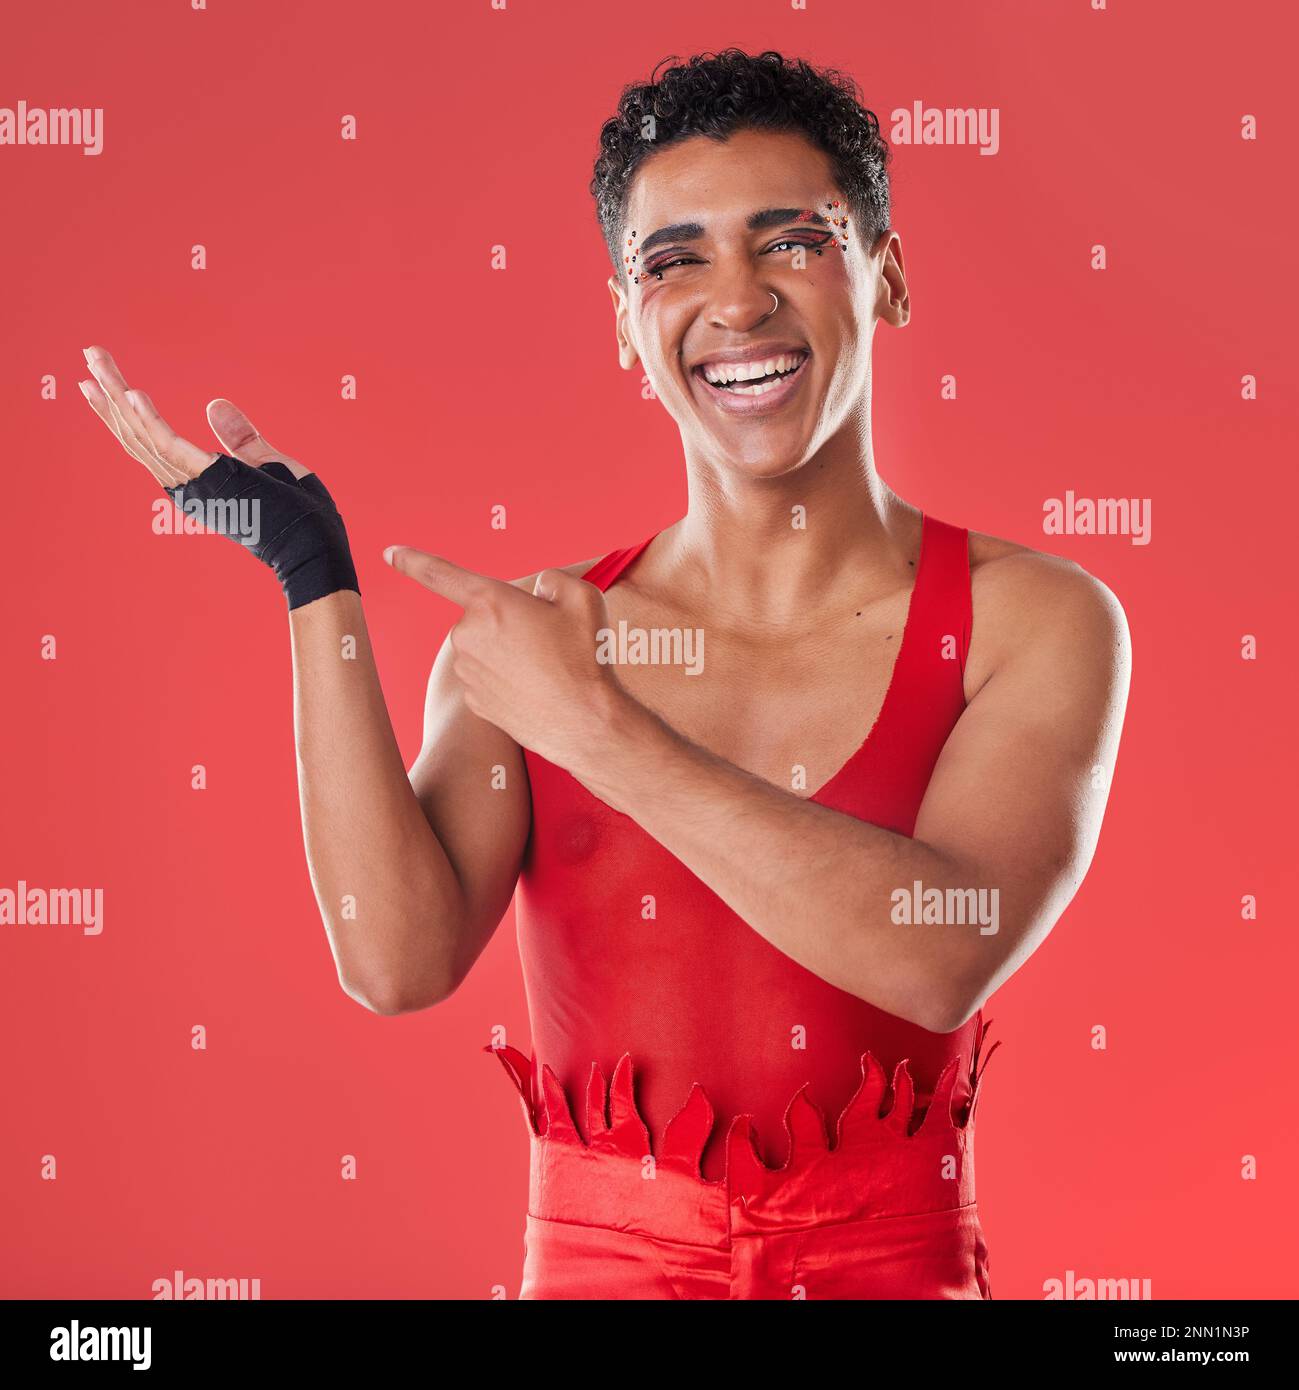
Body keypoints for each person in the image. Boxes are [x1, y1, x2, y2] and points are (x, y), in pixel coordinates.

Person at [78, 48, 1131, 1300]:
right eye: (673, 260)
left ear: (886, 274)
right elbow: (395, 960)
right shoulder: (532, 640)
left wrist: (601, 729)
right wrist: (313, 578)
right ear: (626, 324)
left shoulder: (1034, 619)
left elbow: (937, 952)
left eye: (790, 239)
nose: (735, 304)